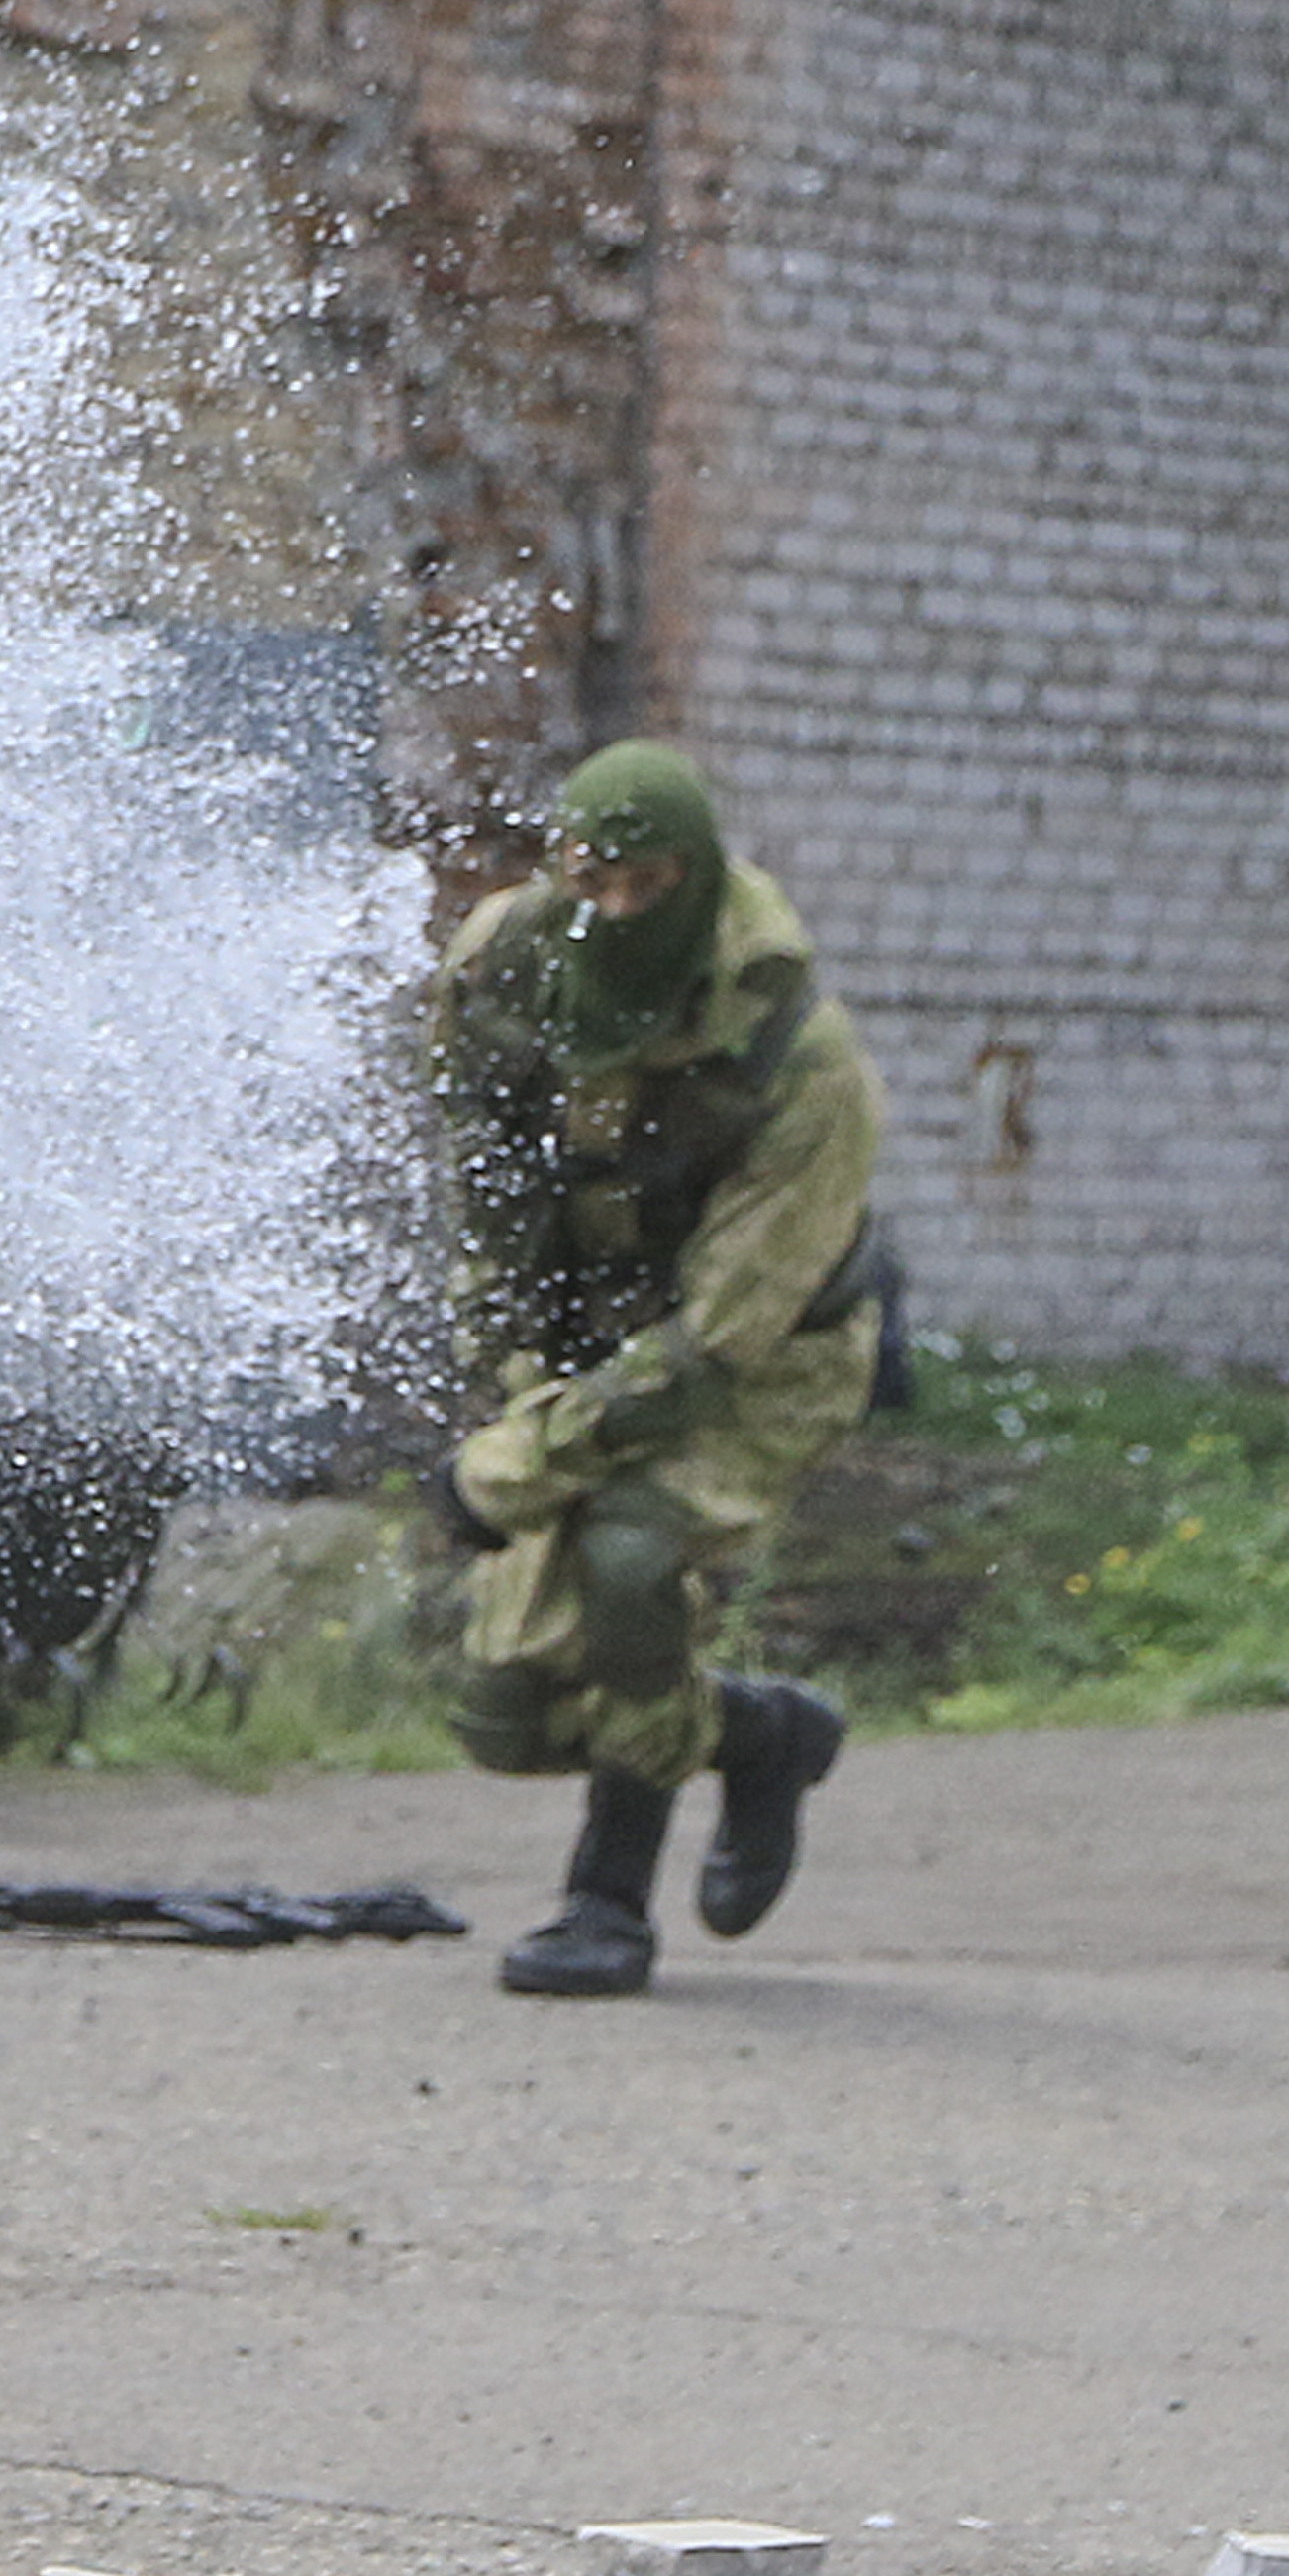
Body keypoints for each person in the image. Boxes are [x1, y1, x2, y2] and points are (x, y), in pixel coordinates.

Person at [426, 740, 885, 2001]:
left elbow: (720, 1334)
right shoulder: (501, 966)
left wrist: (522, 1461)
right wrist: (503, 1371)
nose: (616, 911)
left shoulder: (797, 1053)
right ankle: (761, 1734)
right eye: (594, 878)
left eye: (649, 886)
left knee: (628, 1557)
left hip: (766, 1358)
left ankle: (605, 1902)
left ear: (696, 880)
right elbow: (485, 1194)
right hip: (585, 1349)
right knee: (505, 1713)